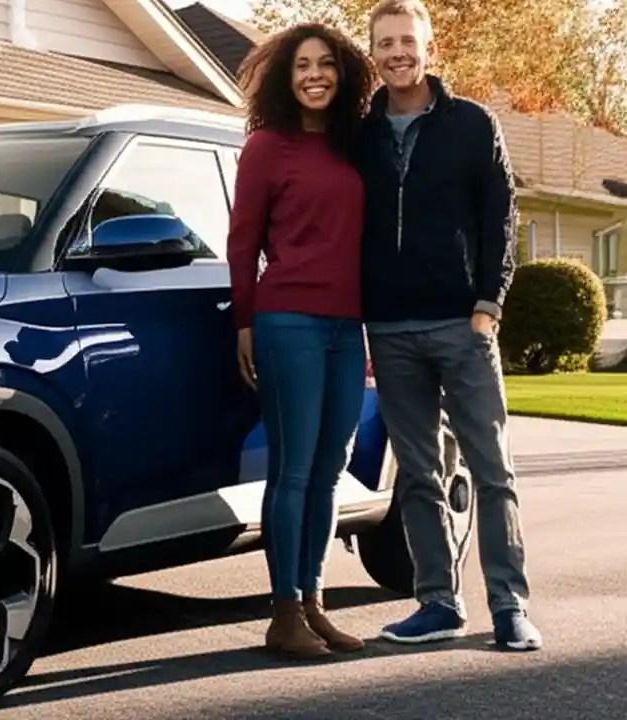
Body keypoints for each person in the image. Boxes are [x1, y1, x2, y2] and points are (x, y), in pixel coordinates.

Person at [357, 0, 542, 651]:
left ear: (428, 49)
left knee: (492, 472)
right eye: (386, 43)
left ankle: (509, 605)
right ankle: (437, 601)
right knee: (417, 475)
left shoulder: (471, 124)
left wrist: (489, 305)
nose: (398, 52)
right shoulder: (361, 135)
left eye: (408, 40)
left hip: (462, 327)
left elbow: (501, 218)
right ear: (373, 53)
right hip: (389, 329)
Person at [227, 22, 377, 659]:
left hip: (349, 326)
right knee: (292, 468)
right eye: (301, 66)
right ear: (285, 77)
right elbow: (242, 241)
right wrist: (243, 323)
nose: (314, 75)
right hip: (288, 320)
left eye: (326, 65)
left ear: (343, 75)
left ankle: (313, 603)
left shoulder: (354, 146)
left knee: (329, 469)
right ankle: (283, 612)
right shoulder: (267, 146)